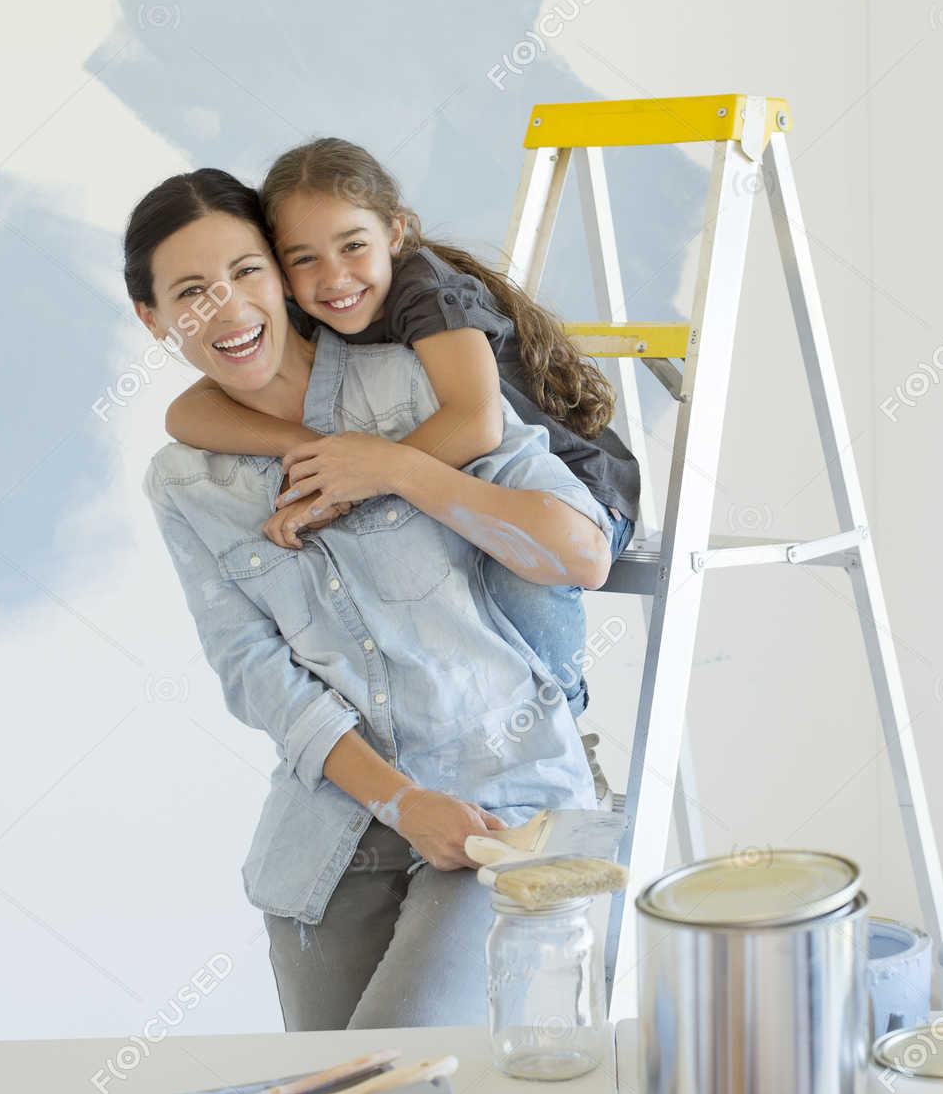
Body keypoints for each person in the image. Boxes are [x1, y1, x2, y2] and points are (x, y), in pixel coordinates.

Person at [124, 167, 609, 1030]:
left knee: (390, 1073)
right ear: (153, 319)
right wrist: (399, 802)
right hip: (326, 838)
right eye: (191, 293)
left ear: (281, 275)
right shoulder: (184, 480)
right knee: (326, 1091)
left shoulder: (418, 384)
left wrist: (396, 468)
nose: (228, 309)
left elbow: (583, 553)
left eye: (245, 271)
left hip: (501, 805)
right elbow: (253, 672)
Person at [163, 139, 638, 797]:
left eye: (353, 246)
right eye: (303, 259)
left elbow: (477, 423)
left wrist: (352, 486)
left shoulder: (425, 291)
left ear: (395, 231)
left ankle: (567, 736)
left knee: (512, 579)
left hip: (572, 489)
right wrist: (312, 450)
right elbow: (184, 414)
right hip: (458, 482)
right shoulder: (302, 308)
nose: (334, 277)